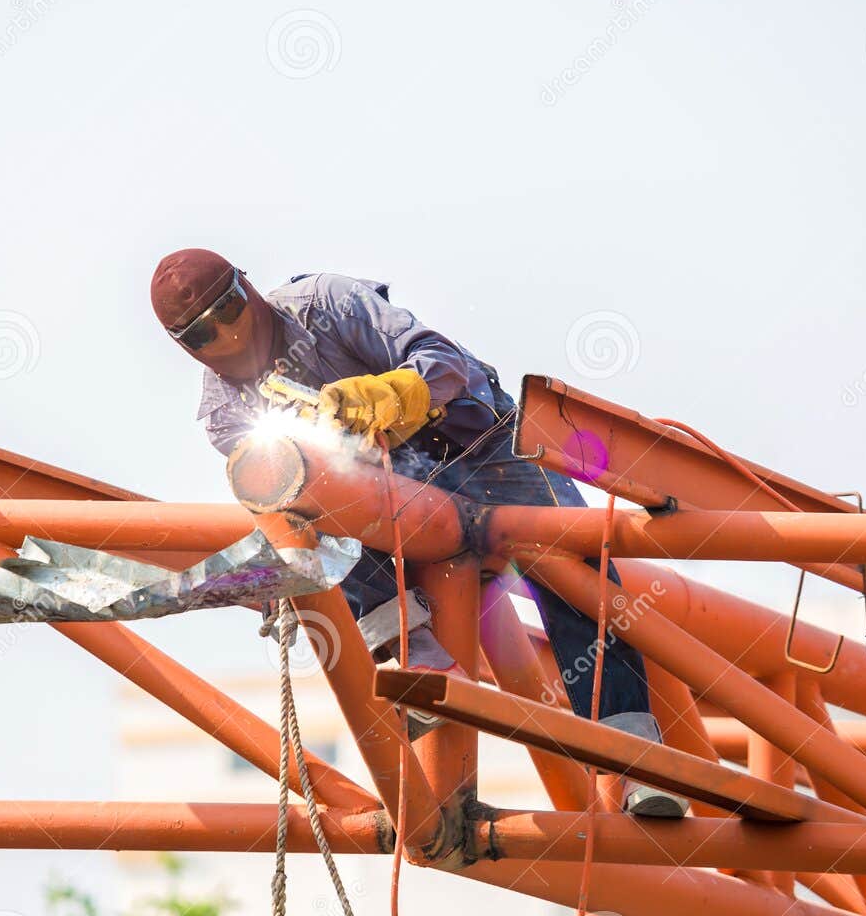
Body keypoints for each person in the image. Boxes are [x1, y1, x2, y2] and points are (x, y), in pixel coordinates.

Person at [150, 247, 687, 818]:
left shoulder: (325, 306)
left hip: (480, 449)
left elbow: (445, 360)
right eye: (205, 332)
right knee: (303, 518)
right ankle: (417, 659)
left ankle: (635, 757)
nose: (229, 333)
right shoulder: (225, 414)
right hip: (390, 504)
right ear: (187, 346)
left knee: (575, 560)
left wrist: (394, 393)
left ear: (246, 288)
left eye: (231, 307)